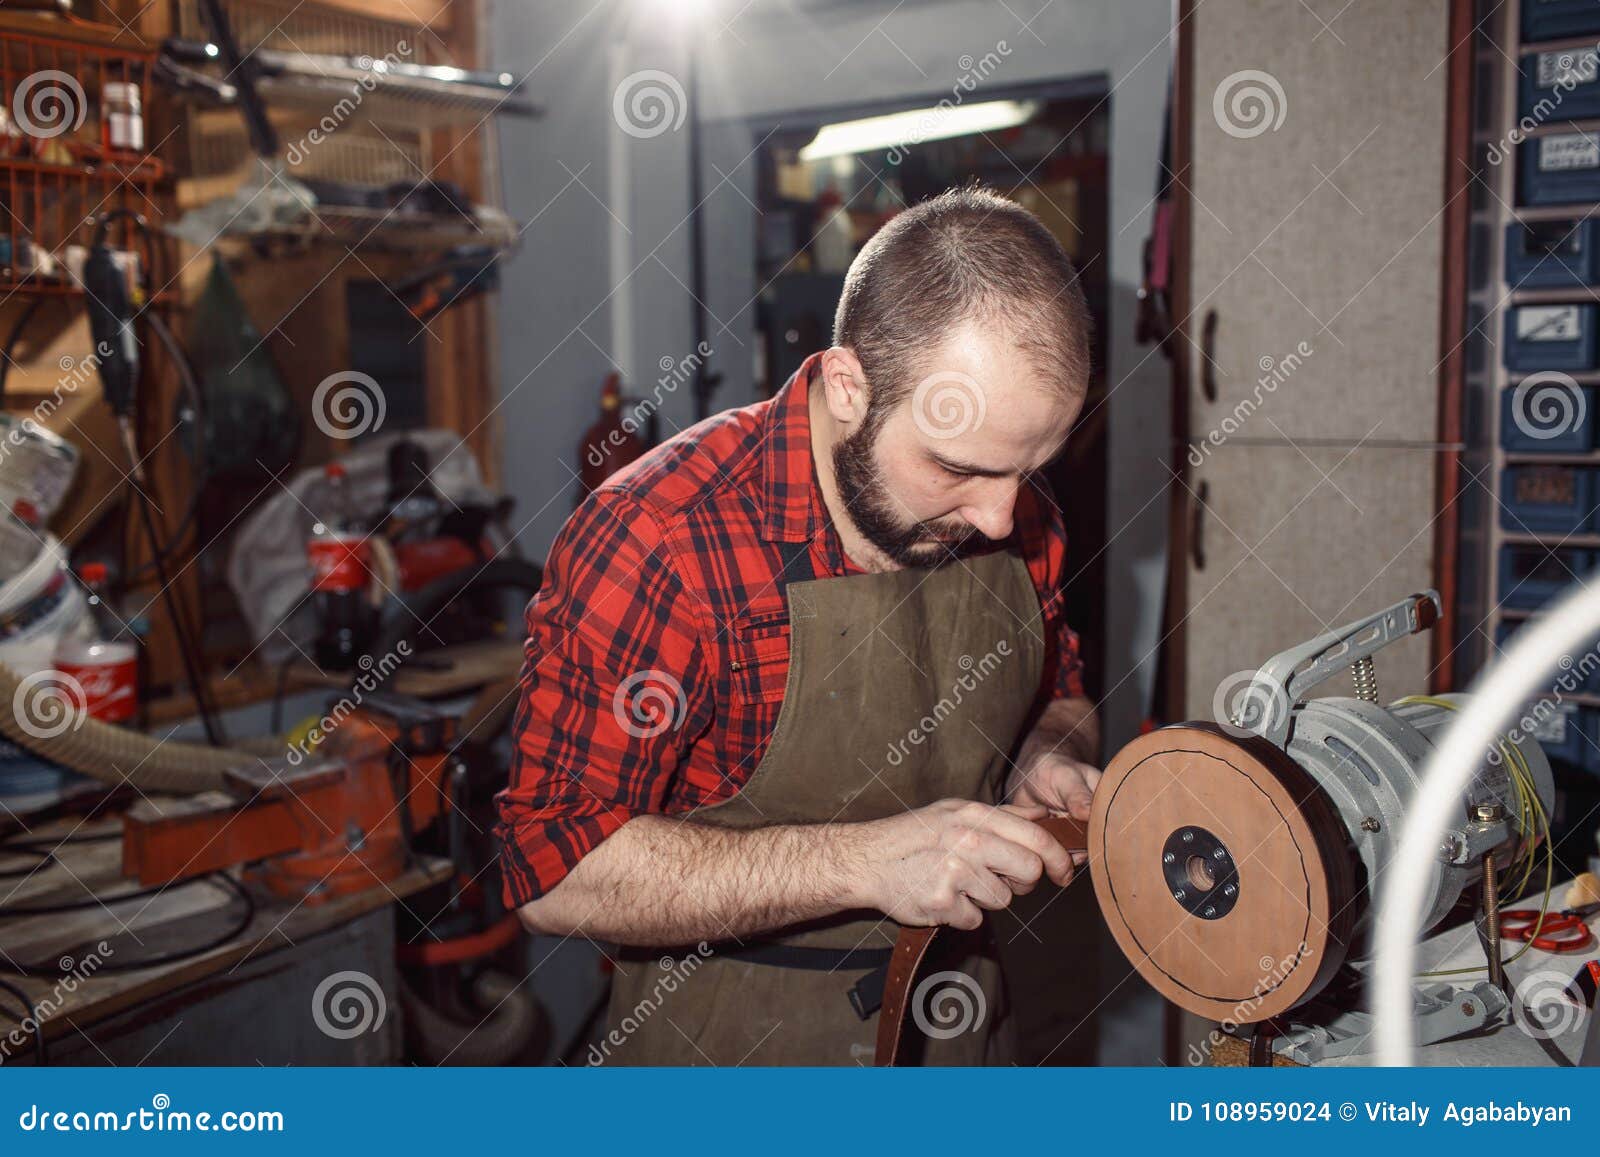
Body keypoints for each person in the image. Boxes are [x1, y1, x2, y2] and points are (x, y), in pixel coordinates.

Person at [495, 186, 1101, 1065]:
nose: (1005, 518)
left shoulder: (1014, 506)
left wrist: (1047, 754)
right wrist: (863, 864)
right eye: (958, 469)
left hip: (966, 1028)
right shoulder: (663, 537)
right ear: (849, 385)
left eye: (1030, 467)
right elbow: (552, 868)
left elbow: (1063, 693)